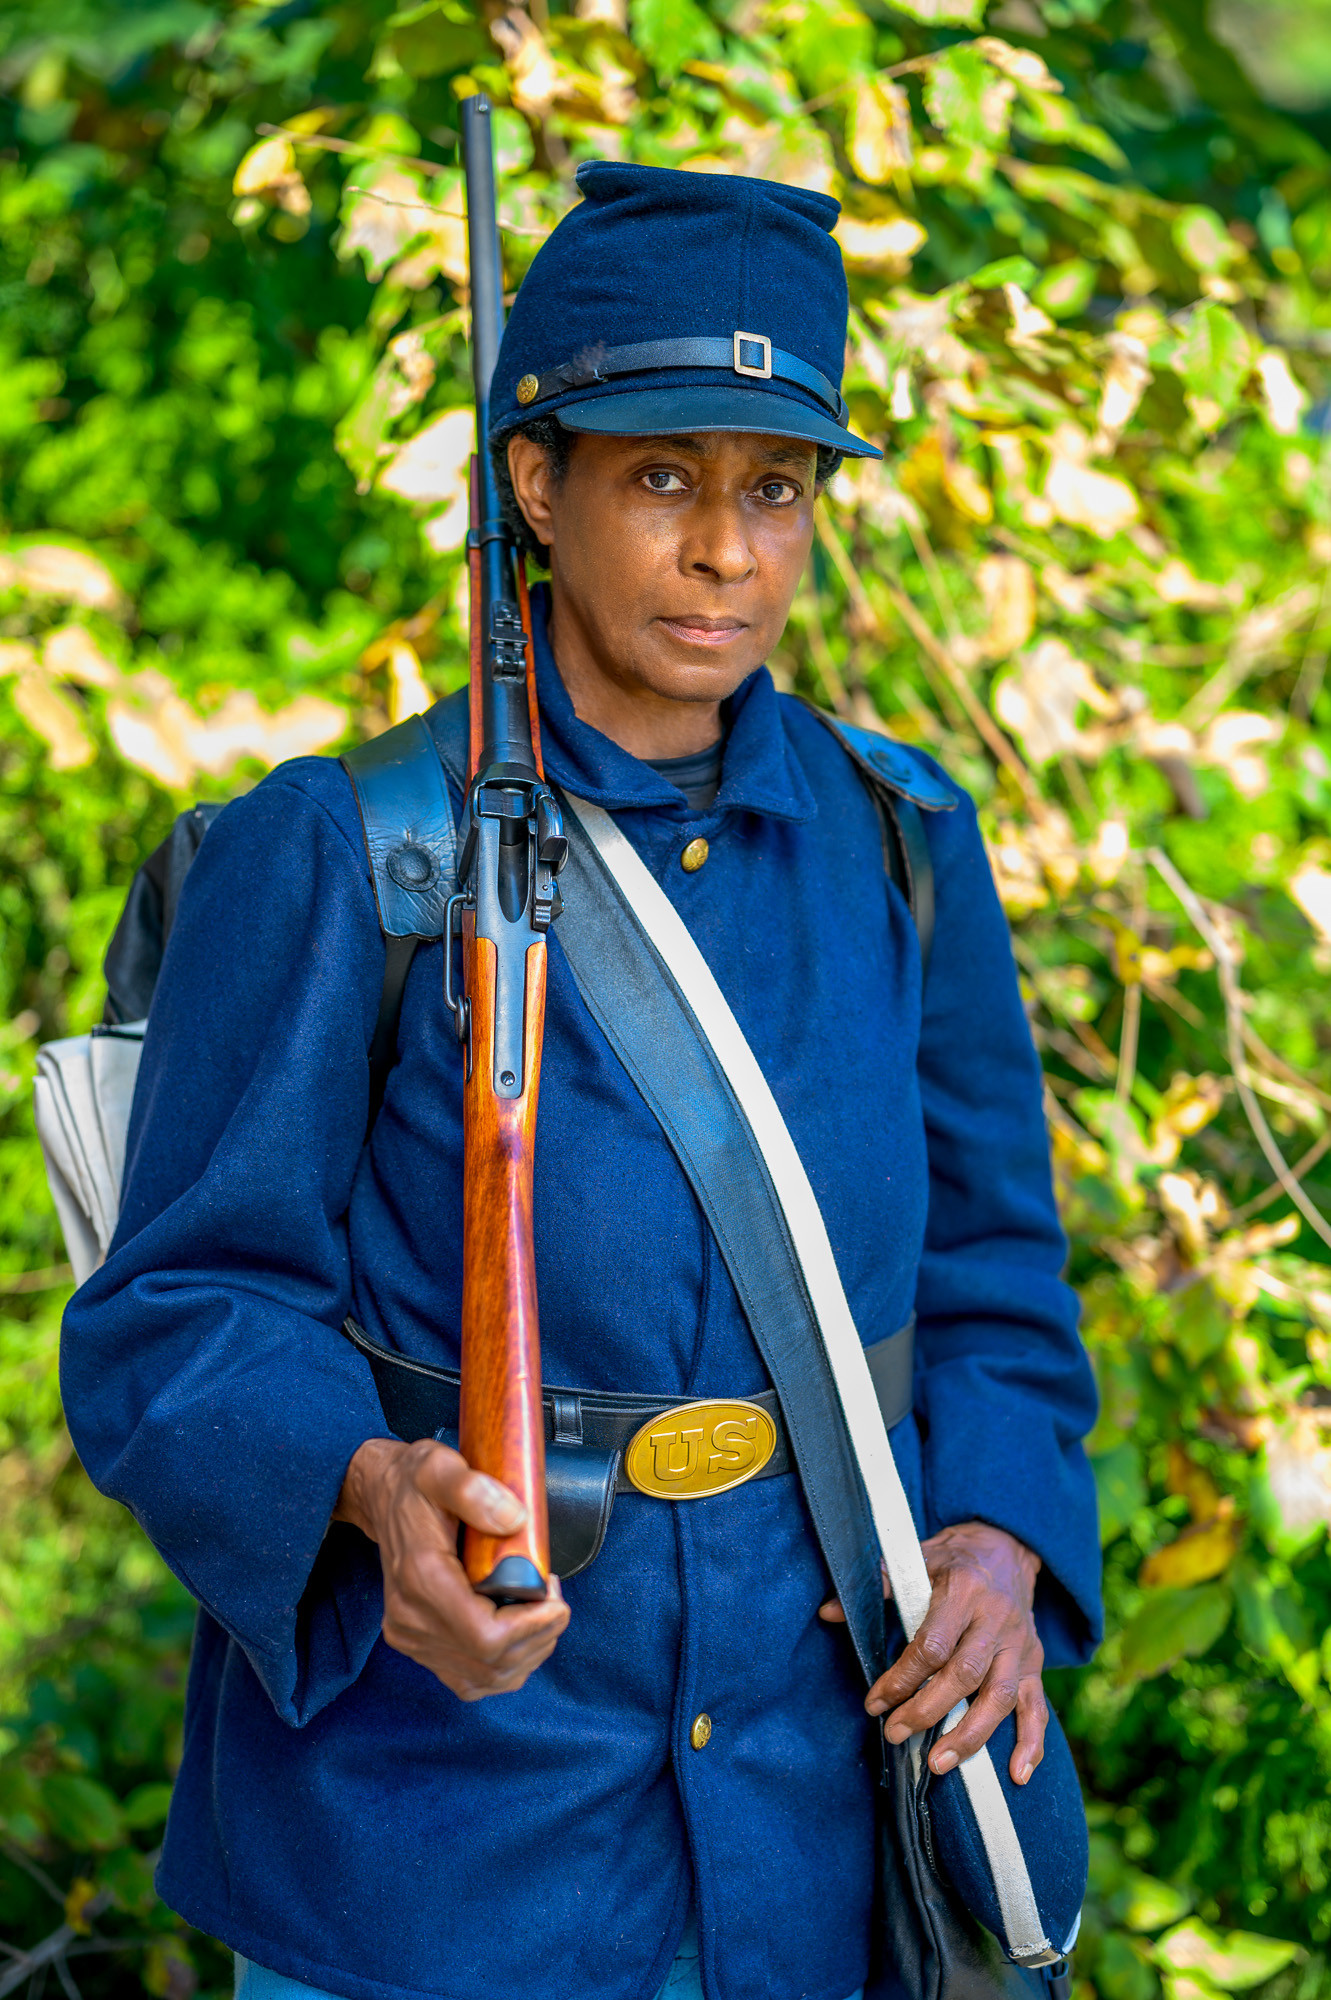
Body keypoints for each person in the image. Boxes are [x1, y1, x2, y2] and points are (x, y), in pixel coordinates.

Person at [60, 162, 1100, 2000]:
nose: (726, 550)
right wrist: (370, 1492)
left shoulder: (901, 846)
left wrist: (1003, 1541)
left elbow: (998, 1282)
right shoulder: (345, 850)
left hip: (816, 1817)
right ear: (536, 485)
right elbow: (180, 1316)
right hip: (436, 1849)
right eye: (662, 479)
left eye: (774, 488)